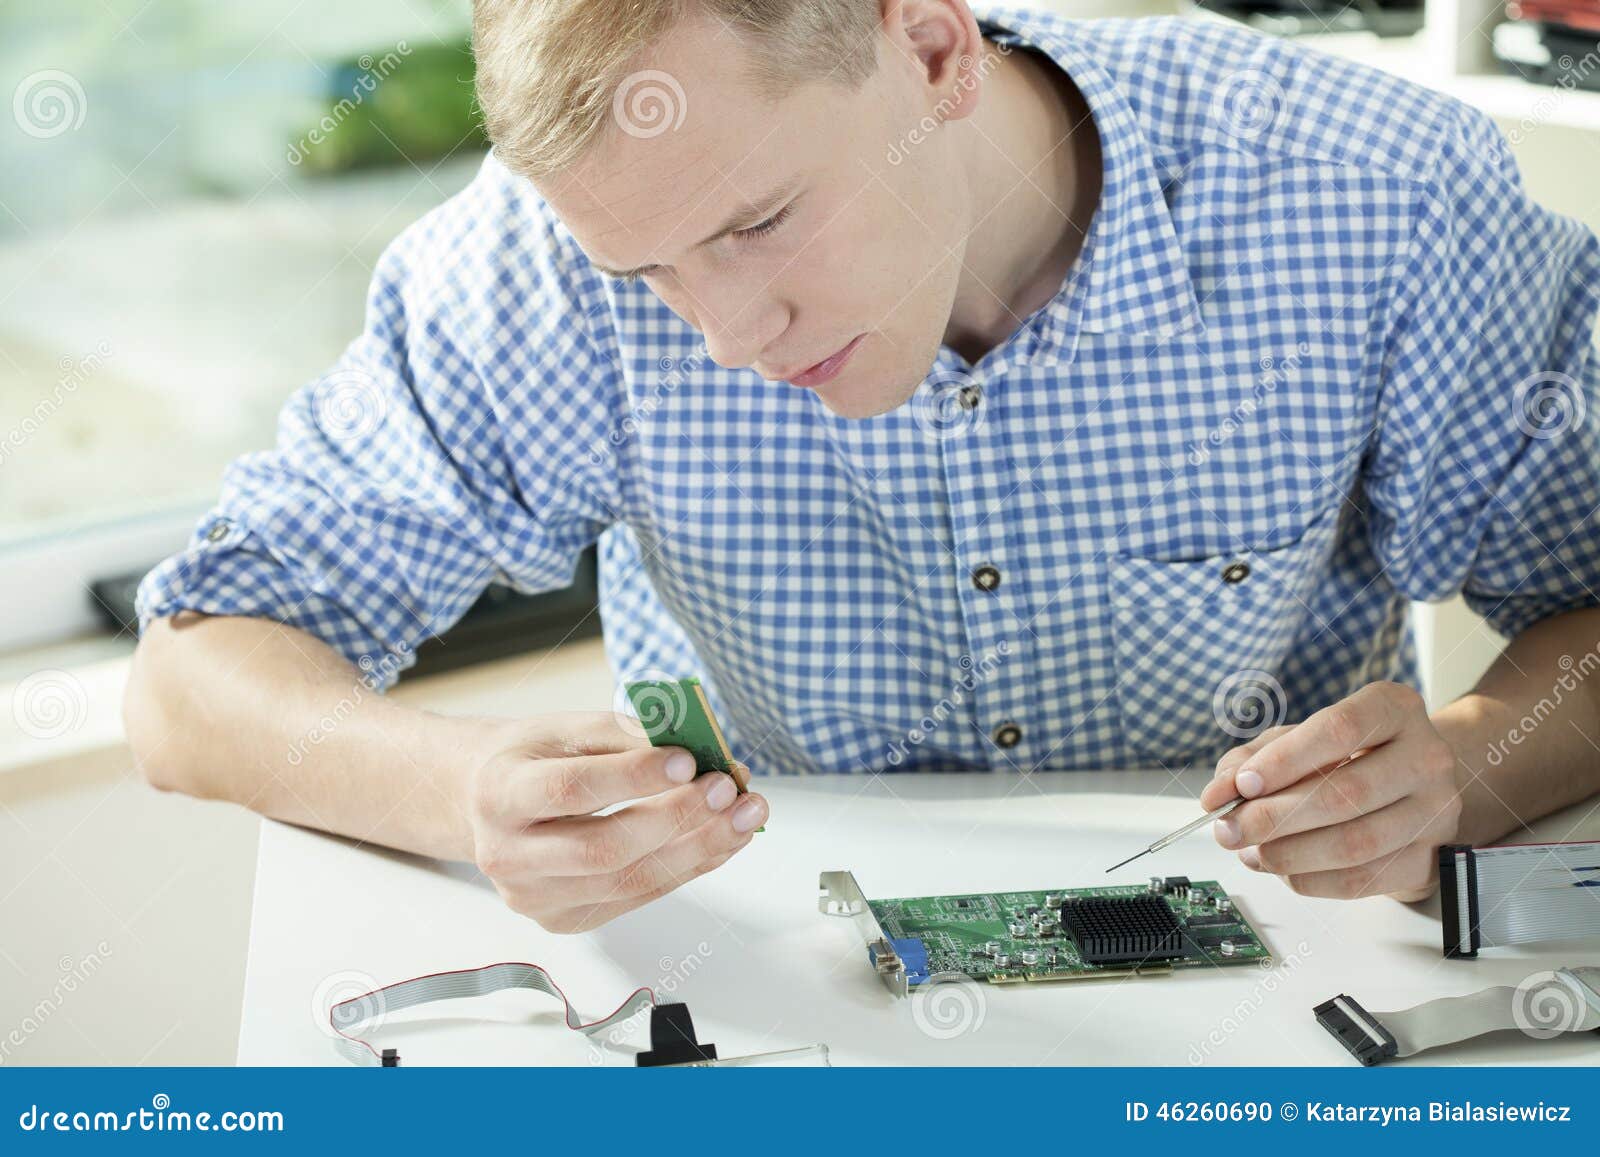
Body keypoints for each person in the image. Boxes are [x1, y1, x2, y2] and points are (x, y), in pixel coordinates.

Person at [124, 1, 1600, 933]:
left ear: (935, 49)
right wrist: (465, 793)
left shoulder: (1373, 196)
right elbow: (188, 690)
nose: (723, 337)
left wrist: (1462, 771)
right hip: (786, 1000)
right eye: (647, 272)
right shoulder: (535, 266)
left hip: (1267, 1016)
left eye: (761, 222)